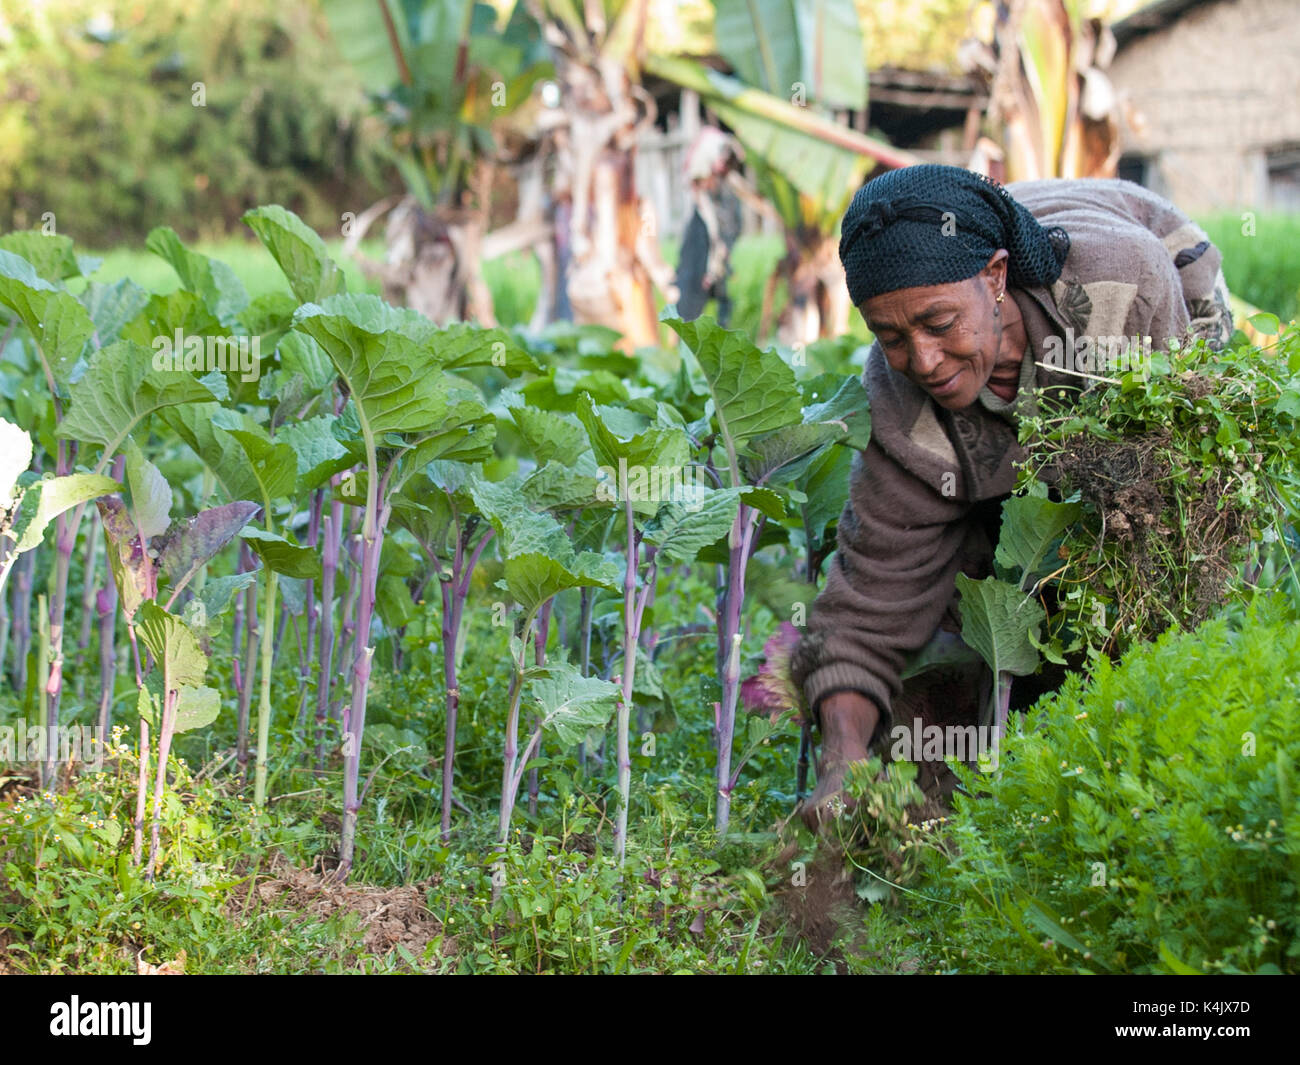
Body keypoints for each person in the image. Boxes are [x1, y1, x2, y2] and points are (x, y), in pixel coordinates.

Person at [790, 163, 1233, 831]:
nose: (926, 359)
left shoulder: (1121, 295)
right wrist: (842, 767)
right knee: (959, 600)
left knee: (1153, 562)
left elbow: (1170, 534)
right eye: (892, 337)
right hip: (1003, 431)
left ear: (996, 277)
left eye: (940, 322)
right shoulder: (901, 399)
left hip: (1164, 287)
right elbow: (869, 603)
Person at [674, 127, 745, 326]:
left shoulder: (727, 198)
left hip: (718, 256)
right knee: (691, 297)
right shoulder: (701, 218)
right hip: (700, 256)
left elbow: (732, 230)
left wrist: (721, 255)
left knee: (723, 298)